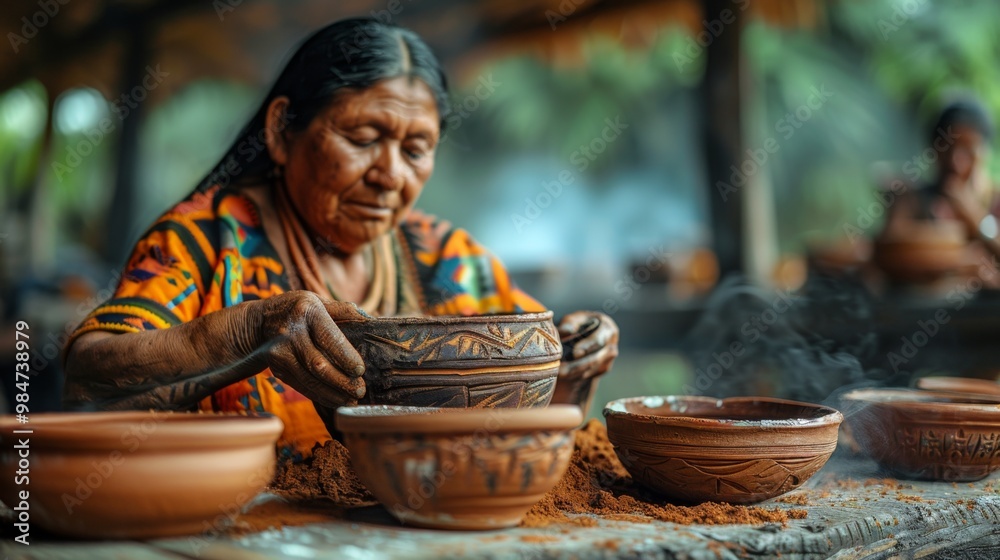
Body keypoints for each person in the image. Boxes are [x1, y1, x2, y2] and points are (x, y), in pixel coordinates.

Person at [62, 18, 619, 460]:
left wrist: (575, 358)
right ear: (282, 130)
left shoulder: (447, 258)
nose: (391, 174)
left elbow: (530, 411)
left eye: (415, 149)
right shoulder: (207, 240)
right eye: (362, 137)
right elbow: (88, 382)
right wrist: (249, 331)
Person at [880, 95, 998, 244]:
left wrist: (975, 220)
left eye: (968, 151)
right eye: (946, 149)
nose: (955, 162)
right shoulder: (912, 199)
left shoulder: (996, 202)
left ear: (985, 153)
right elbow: (892, 243)